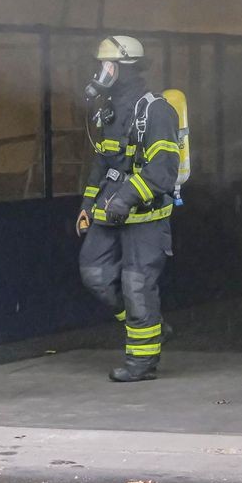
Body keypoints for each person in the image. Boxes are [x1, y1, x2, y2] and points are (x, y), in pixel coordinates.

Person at [77, 35, 179, 382]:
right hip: (108, 213)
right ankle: (153, 326)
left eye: (108, 66)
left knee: (137, 284)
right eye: (100, 65)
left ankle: (142, 361)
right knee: (95, 275)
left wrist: (125, 198)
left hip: (145, 218)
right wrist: (89, 204)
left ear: (125, 69)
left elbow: (162, 170)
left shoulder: (156, 109)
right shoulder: (109, 110)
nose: (101, 72)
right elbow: (102, 163)